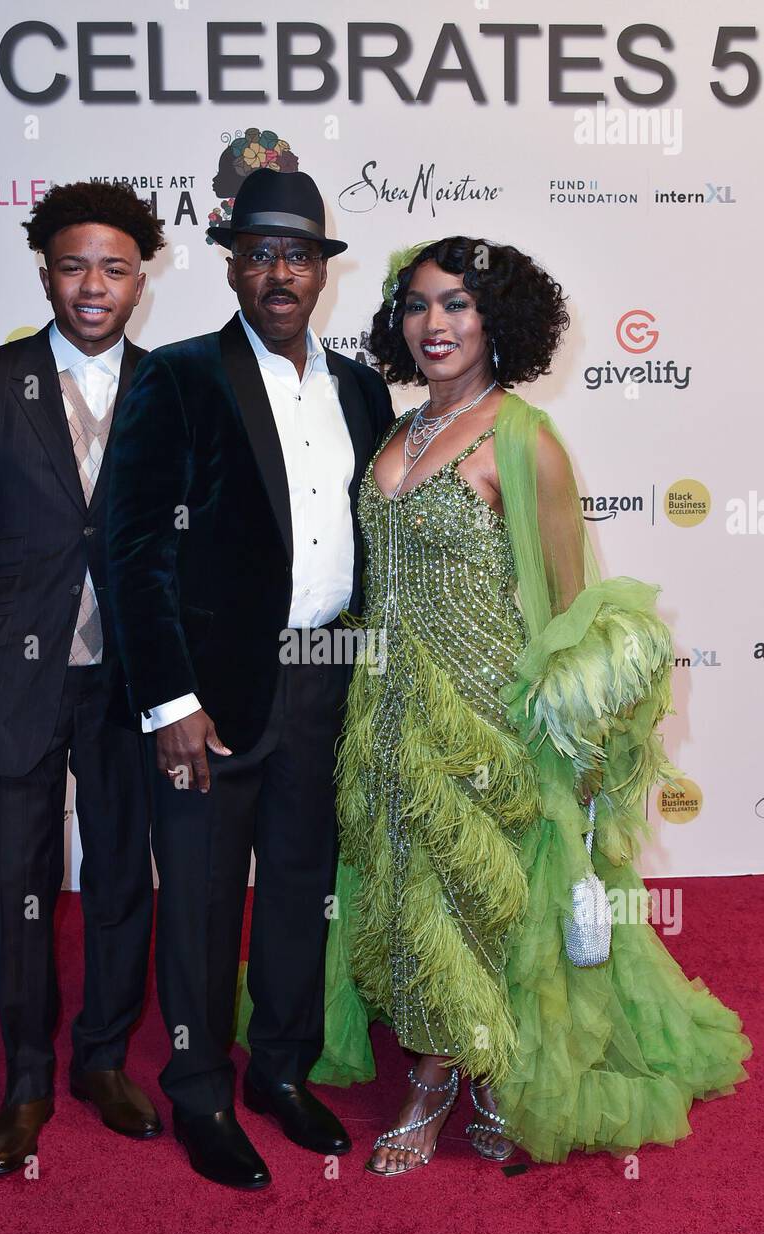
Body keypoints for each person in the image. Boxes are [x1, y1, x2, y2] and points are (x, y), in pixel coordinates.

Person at [322, 235, 752, 1174]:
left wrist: (582, 735)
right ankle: (464, 1049)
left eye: (458, 306)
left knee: (471, 892)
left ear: (496, 323)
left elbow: (564, 606)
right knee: (403, 883)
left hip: (486, 707)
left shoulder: (523, 440)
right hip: (386, 699)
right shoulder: (396, 429)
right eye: (418, 305)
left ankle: (438, 1078)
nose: (433, 325)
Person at [106, 168, 394, 1191]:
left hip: (323, 676)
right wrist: (169, 701)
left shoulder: (361, 387)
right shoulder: (179, 378)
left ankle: (280, 1068)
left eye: (299, 253)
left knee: (299, 894)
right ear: (230, 265)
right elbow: (131, 547)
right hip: (209, 694)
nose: (280, 271)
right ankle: (196, 1090)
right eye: (260, 252)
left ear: (322, 270)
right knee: (195, 896)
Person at [0, 181, 166, 1176]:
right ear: (45, 272)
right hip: (7, 686)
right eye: (73, 264)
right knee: (14, 886)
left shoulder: (172, 387)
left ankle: (101, 1059)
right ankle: (25, 1078)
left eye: (113, 265)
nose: (92, 285)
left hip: (130, 685)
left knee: (116, 880)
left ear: (142, 274)